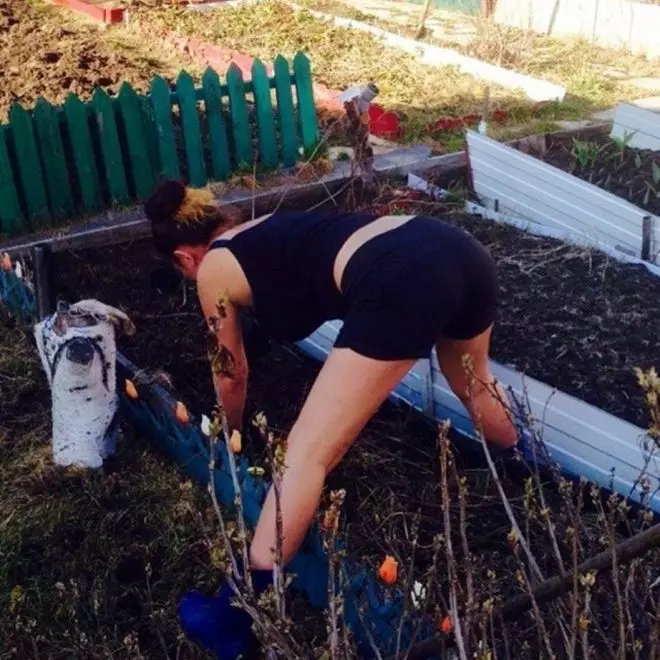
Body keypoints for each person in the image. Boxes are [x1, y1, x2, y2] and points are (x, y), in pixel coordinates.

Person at [145, 179, 519, 658]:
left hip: (401, 276)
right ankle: (517, 461)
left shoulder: (211, 269)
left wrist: (230, 432)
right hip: (457, 249)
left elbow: (230, 372)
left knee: (307, 453)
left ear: (183, 258)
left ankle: (232, 617)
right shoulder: (261, 230)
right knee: (472, 378)